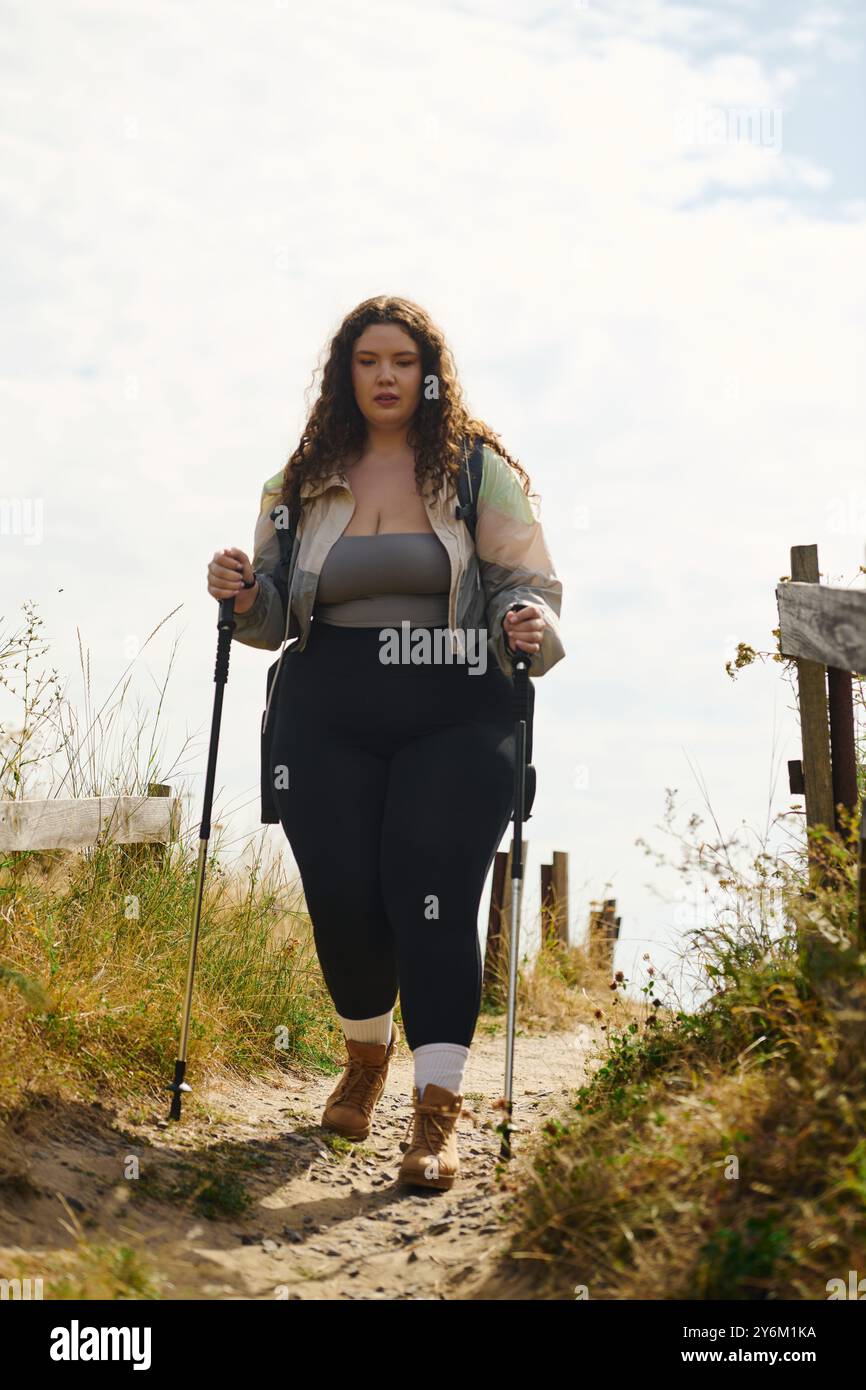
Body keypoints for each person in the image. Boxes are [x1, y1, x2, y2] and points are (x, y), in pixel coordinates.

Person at [206, 295, 565, 1191]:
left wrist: (529, 619)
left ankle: (436, 1116)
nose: (386, 377)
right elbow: (273, 608)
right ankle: (367, 1054)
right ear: (345, 375)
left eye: (402, 361)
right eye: (368, 362)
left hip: (458, 699)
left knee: (433, 891)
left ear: (428, 372)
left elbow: (530, 581)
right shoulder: (298, 479)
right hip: (328, 703)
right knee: (342, 893)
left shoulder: (478, 472)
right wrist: (241, 593)